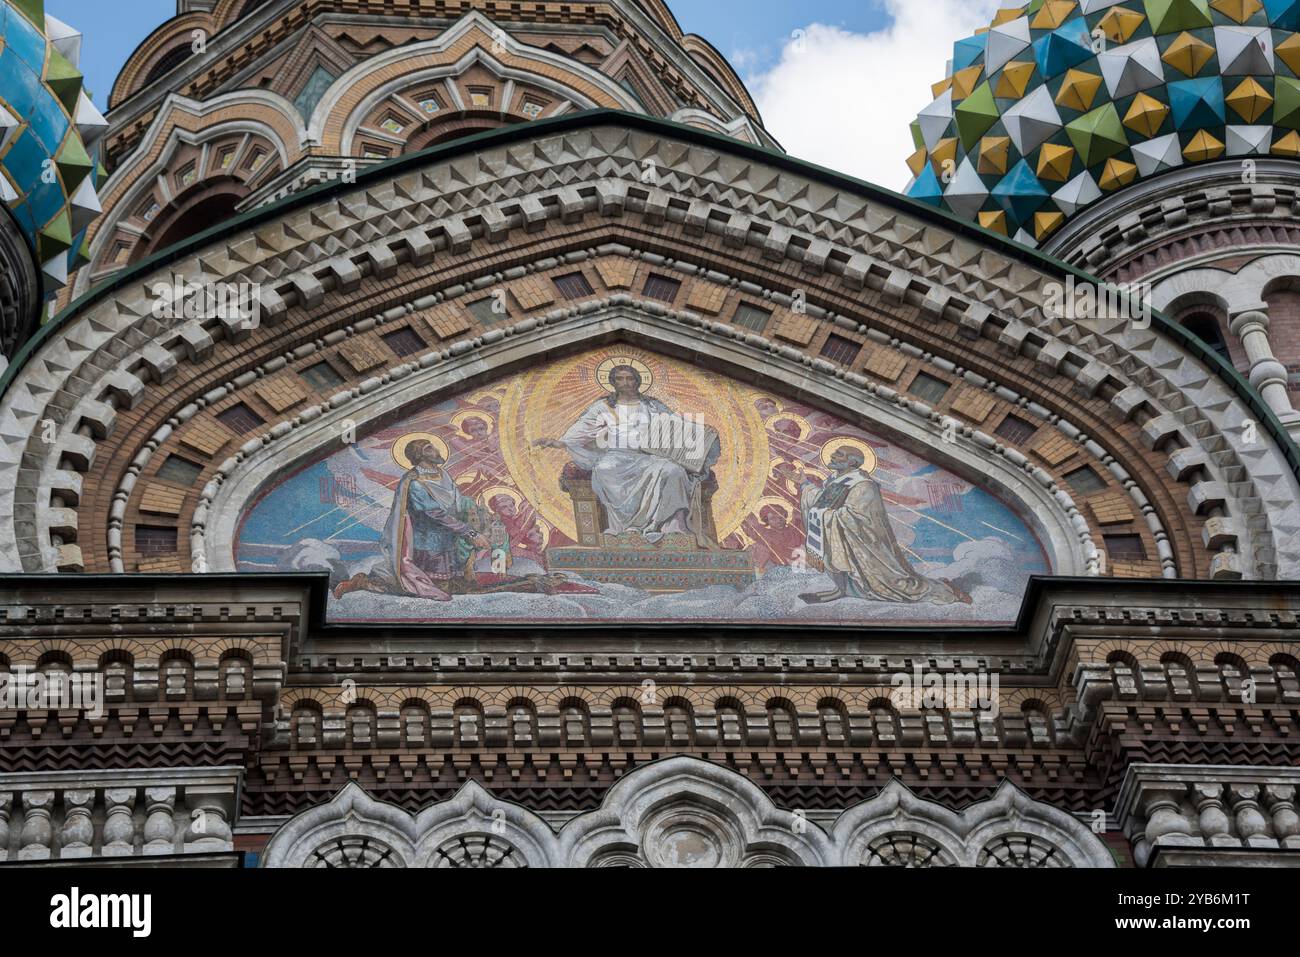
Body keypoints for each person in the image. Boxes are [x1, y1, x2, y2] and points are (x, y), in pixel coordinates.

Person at [534, 364, 719, 544]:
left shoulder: (653, 406)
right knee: (604, 469)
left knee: (673, 471)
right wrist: (559, 442)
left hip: (650, 457)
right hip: (617, 457)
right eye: (620, 379)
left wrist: (701, 432)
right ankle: (626, 528)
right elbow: (582, 429)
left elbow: (676, 427)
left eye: (630, 378)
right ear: (613, 382)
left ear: (637, 381)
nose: (625, 383)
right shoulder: (604, 407)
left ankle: (673, 528)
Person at [798, 445, 970, 605]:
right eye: (835, 453)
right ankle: (844, 588)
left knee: (894, 584)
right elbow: (822, 503)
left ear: (852, 462)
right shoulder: (836, 480)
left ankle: (943, 591)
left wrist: (826, 515)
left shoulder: (862, 484)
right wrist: (804, 484)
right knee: (836, 553)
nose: (833, 456)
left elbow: (857, 517)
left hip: (867, 545)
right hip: (846, 538)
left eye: (839, 454)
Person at [335, 439, 488, 600]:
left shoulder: (443, 475)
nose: (436, 449)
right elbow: (435, 513)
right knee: (426, 588)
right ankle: (363, 582)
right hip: (428, 544)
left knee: (454, 584)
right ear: (419, 455)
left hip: (449, 538)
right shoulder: (415, 483)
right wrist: (470, 533)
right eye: (429, 448)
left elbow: (456, 503)